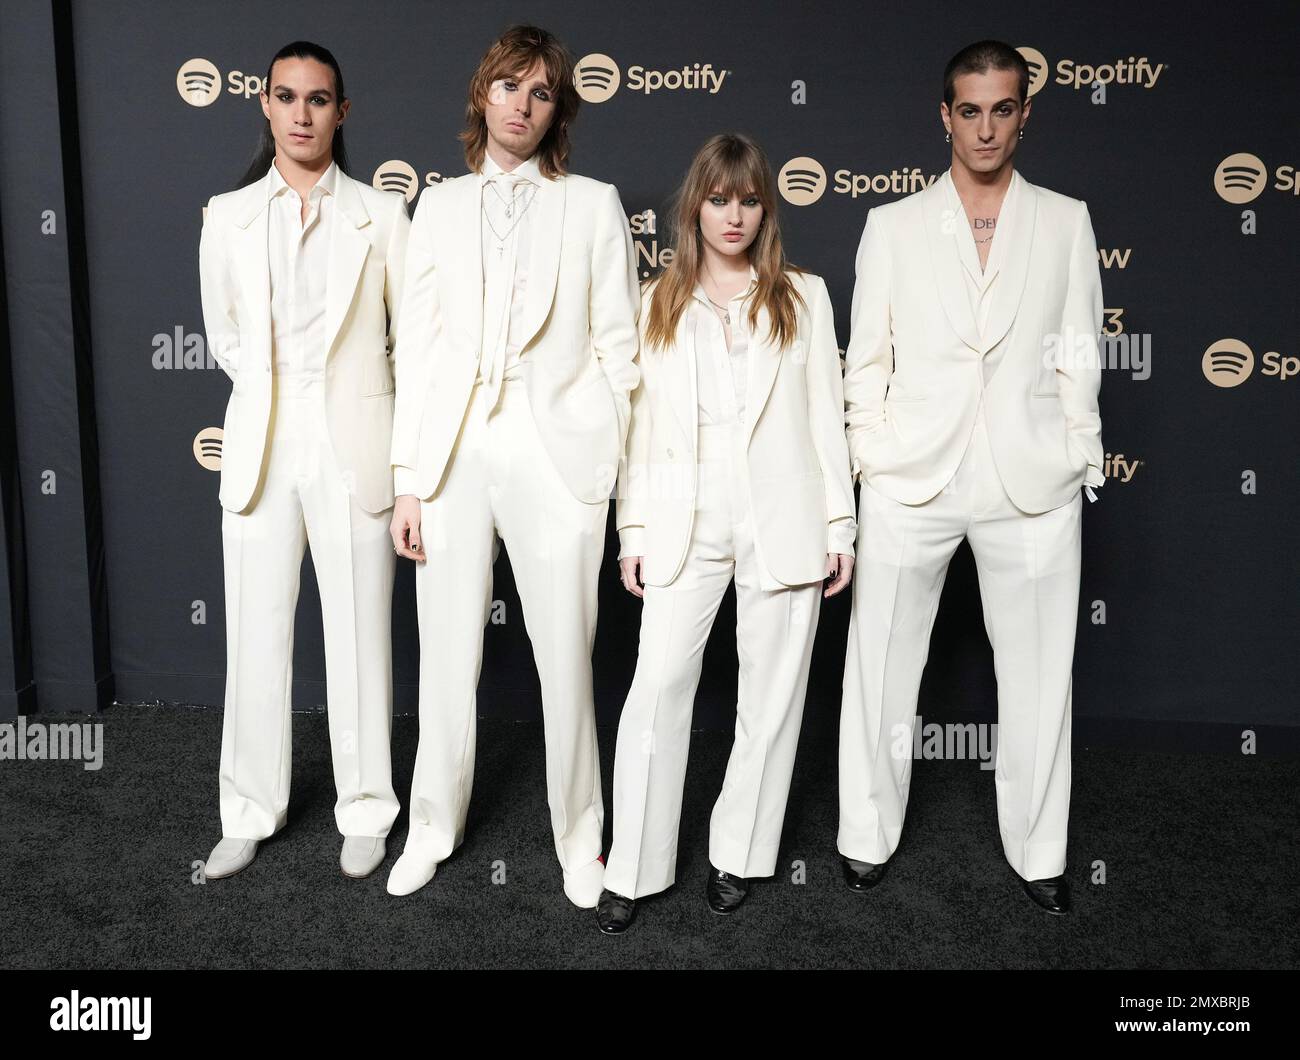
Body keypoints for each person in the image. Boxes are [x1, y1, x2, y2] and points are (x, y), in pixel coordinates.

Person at [838, 40, 1105, 915]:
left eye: (1003, 108)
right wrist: (873, 453)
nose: (986, 126)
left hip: (1032, 482)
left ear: (1026, 114)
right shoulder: (894, 224)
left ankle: (1041, 853)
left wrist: (1074, 447)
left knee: (1038, 677)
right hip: (912, 475)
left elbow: (1078, 353)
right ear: (943, 116)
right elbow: (866, 357)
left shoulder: (1066, 221)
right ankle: (865, 836)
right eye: (970, 109)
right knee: (879, 666)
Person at [385, 25, 640, 906]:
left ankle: (581, 839)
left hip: (555, 450)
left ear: (556, 109)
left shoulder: (594, 204)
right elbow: (414, 350)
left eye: (539, 93)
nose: (522, 106)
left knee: (568, 657)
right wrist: (409, 478)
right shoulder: (439, 206)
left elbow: (620, 350)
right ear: (481, 96)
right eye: (508, 87)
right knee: (443, 655)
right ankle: (429, 828)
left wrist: (598, 458)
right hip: (455, 450)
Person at [596, 134, 856, 934]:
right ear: (695, 207)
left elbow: (825, 418)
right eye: (719, 199)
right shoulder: (655, 301)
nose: (733, 215)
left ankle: (738, 853)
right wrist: (632, 528)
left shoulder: (804, 297)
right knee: (656, 691)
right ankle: (634, 865)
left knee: (770, 699)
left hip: (783, 514)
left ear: (765, 208)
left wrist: (840, 524)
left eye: (748, 200)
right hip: (684, 514)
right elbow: (635, 430)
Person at [197, 40, 409, 880]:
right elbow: (227, 339)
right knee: (254, 634)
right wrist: (275, 403)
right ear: (265, 106)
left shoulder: (383, 216)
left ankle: (367, 808)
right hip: (261, 442)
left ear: (342, 112)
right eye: (286, 97)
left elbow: (402, 341)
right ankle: (247, 808)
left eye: (318, 99)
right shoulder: (226, 215)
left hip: (356, 442)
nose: (300, 114)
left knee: (360, 632)